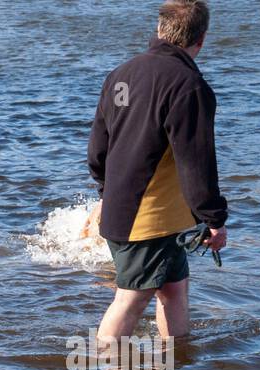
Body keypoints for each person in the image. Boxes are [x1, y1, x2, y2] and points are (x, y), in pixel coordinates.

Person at [88, 0, 228, 344]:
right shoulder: (189, 85)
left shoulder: (122, 74)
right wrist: (214, 219)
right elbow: (197, 163)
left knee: (174, 288)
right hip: (148, 217)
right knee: (131, 299)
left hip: (130, 210)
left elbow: (97, 148)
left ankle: (177, 365)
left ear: (159, 29)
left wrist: (105, 193)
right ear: (202, 39)